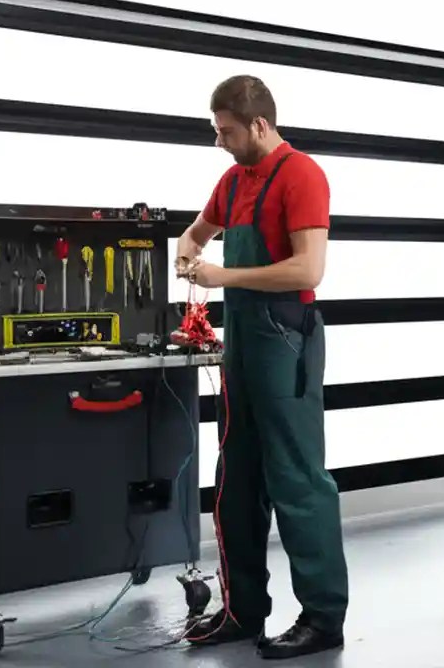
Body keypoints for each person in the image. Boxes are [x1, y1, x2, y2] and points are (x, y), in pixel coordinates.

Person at [175, 75, 347, 660]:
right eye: (216, 131)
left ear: (259, 125)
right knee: (237, 481)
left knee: (298, 482)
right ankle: (243, 610)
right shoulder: (232, 181)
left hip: (286, 339)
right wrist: (186, 251)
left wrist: (223, 277)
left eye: (226, 131)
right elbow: (196, 232)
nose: (219, 141)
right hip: (243, 343)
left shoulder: (301, 175)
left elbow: (308, 271)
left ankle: (323, 618)